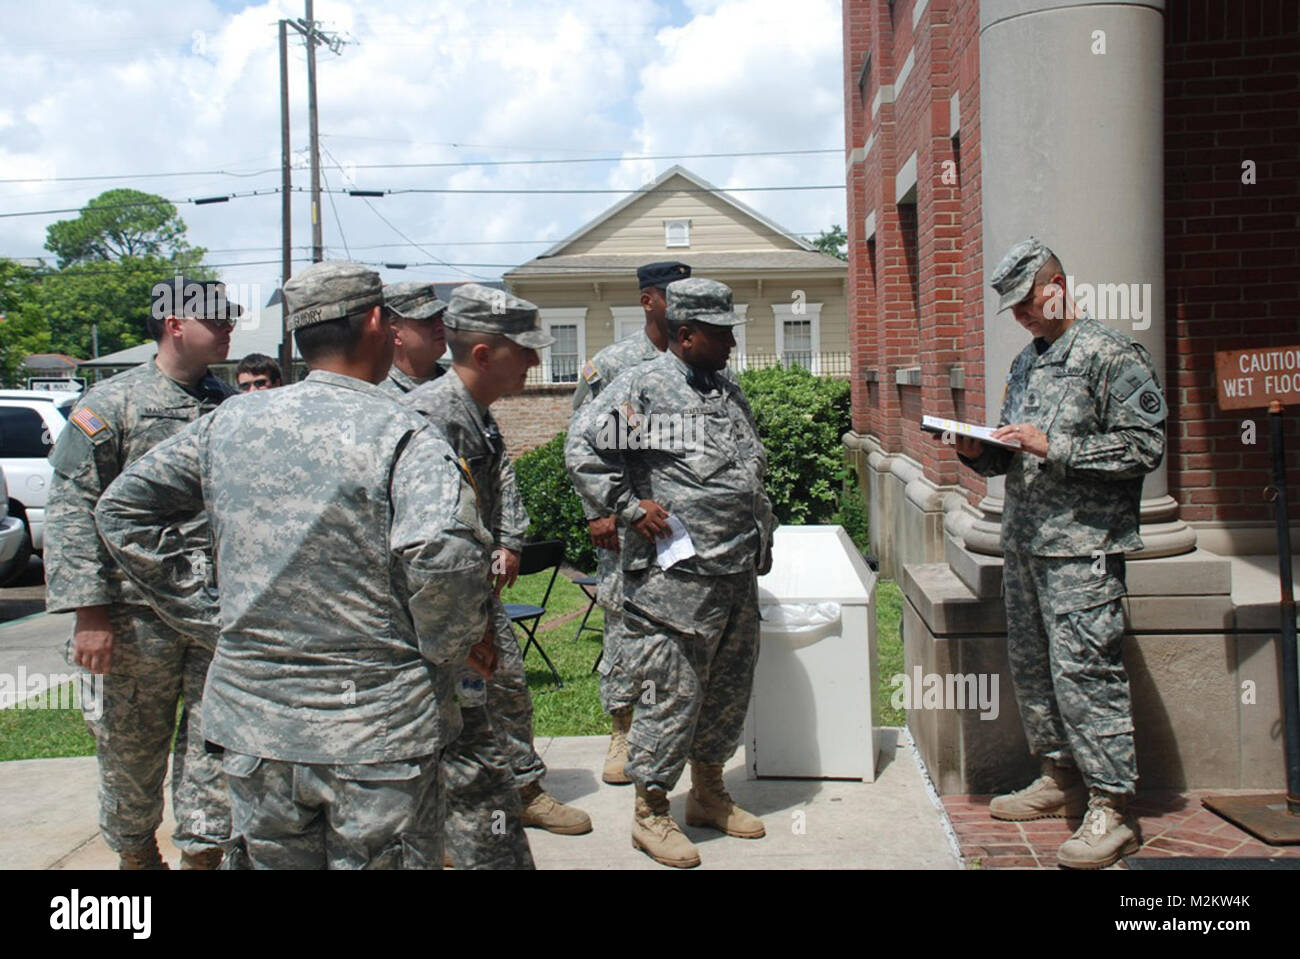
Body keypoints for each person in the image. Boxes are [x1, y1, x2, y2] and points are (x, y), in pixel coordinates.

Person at [93, 261, 497, 870]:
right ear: (375, 323)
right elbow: (443, 556)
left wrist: (208, 612)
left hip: (256, 729)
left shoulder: (228, 422)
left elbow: (122, 509)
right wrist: (451, 645)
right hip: (374, 732)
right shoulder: (405, 433)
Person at [951, 237, 1166, 869]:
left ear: (1057, 286)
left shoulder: (1110, 354)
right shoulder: (1026, 363)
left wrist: (1058, 447)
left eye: (1025, 301)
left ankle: (1113, 806)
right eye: (1010, 308)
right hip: (1026, 545)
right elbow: (1015, 447)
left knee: (1087, 676)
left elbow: (1143, 447)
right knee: (1035, 672)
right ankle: (1059, 775)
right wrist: (977, 450)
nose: (1019, 316)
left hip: (1084, 553)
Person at [565, 277, 775, 868]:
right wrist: (628, 508)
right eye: (721, 333)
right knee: (671, 695)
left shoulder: (726, 389)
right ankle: (650, 812)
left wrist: (764, 530)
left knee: (728, 693)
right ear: (686, 334)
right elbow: (584, 449)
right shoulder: (644, 388)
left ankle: (708, 792)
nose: (732, 342)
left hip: (734, 573)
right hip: (674, 587)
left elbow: (746, 466)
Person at [44, 275, 238, 870]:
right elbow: (73, 509)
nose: (229, 326)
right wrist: (89, 614)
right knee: (129, 747)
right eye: (217, 318)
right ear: (176, 323)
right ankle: (135, 855)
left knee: (219, 744)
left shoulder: (229, 407)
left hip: (213, 614)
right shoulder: (111, 404)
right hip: (133, 619)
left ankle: (204, 855)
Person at [405, 284, 592, 864]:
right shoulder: (428, 420)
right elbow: (422, 550)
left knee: (490, 721)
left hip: (468, 611)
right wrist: (459, 635)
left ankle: (492, 812)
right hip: (434, 628)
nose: (538, 362)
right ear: (483, 355)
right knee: (452, 756)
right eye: (525, 350)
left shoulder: (474, 415)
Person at [570, 260, 690, 785]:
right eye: (673, 295)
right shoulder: (613, 364)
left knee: (683, 627)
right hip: (630, 521)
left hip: (687, 526)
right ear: (649, 301)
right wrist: (598, 511)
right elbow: (581, 441)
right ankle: (622, 730)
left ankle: (675, 734)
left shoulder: (703, 360)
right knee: (622, 621)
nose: (684, 305)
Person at [379, 281, 448, 396]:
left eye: (441, 316)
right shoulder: (377, 394)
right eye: (427, 320)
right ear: (395, 335)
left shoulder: (460, 388)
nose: (441, 326)